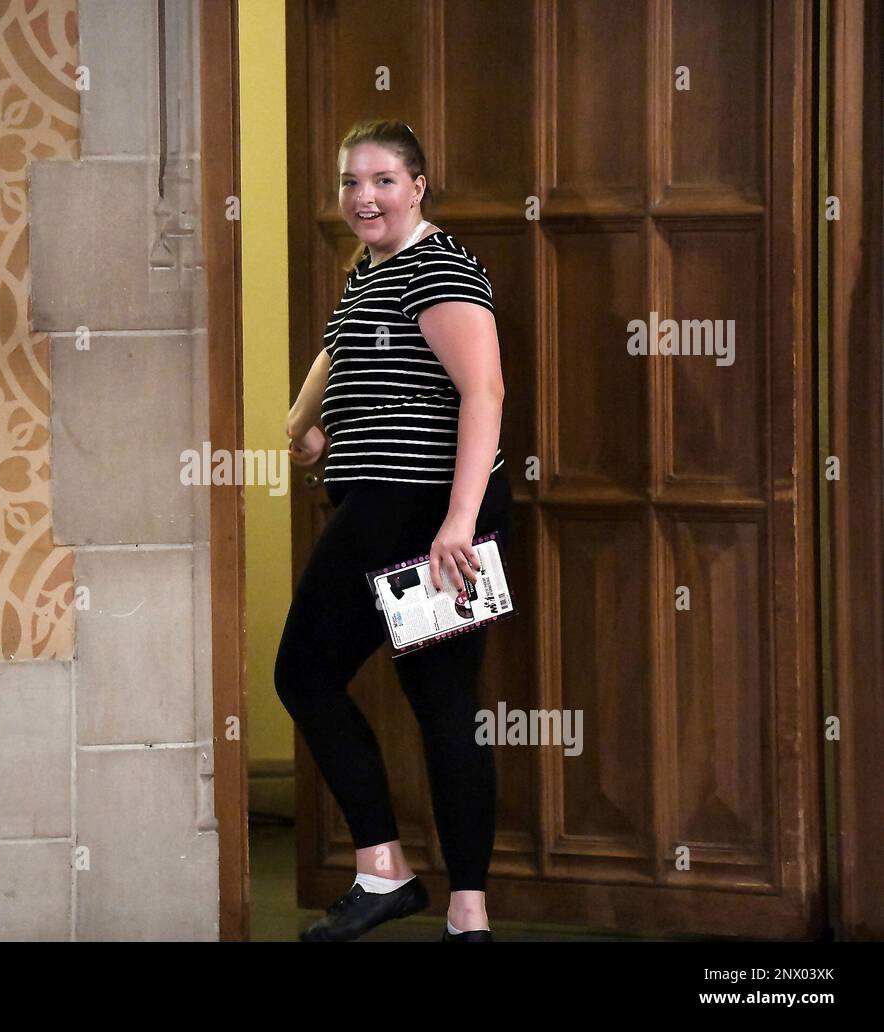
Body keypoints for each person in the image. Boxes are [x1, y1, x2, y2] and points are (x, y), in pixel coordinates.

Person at [278, 119, 512, 942]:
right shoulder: (373, 271)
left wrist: (457, 521)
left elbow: (483, 393)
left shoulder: (437, 267)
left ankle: (384, 871)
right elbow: (357, 367)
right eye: (350, 182)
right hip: (396, 503)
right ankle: (468, 917)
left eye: (381, 180)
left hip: (412, 510)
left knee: (303, 675)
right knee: (443, 704)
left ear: (418, 185)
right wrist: (314, 429)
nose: (362, 197)